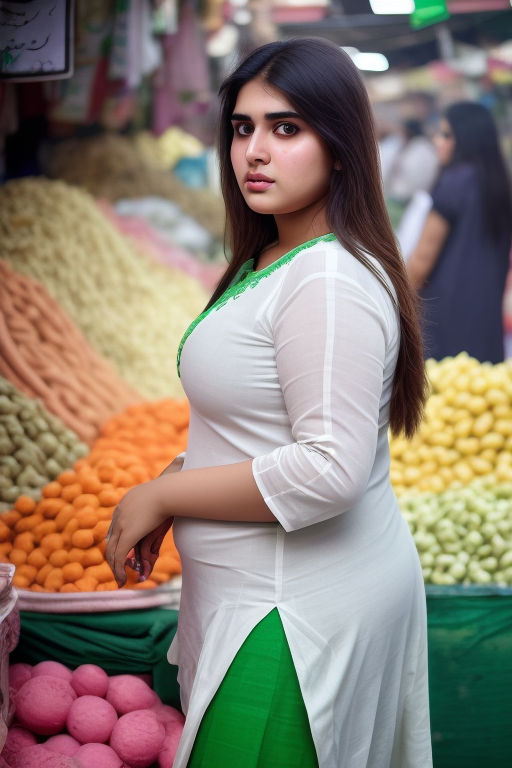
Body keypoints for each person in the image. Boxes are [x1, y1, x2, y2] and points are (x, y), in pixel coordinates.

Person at [106, 38, 432, 768]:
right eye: (243, 127)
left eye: (287, 129)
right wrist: (183, 477)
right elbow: (259, 419)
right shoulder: (276, 255)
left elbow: (327, 470)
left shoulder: (327, 280)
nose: (255, 150)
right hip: (263, 603)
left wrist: (166, 494)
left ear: (340, 146)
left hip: (292, 619)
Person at [407, 101, 512, 363]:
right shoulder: (498, 185)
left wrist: (396, 306)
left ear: (466, 138)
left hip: (445, 316)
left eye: (445, 134)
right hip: (486, 317)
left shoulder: (454, 182)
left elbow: (421, 261)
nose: (436, 141)